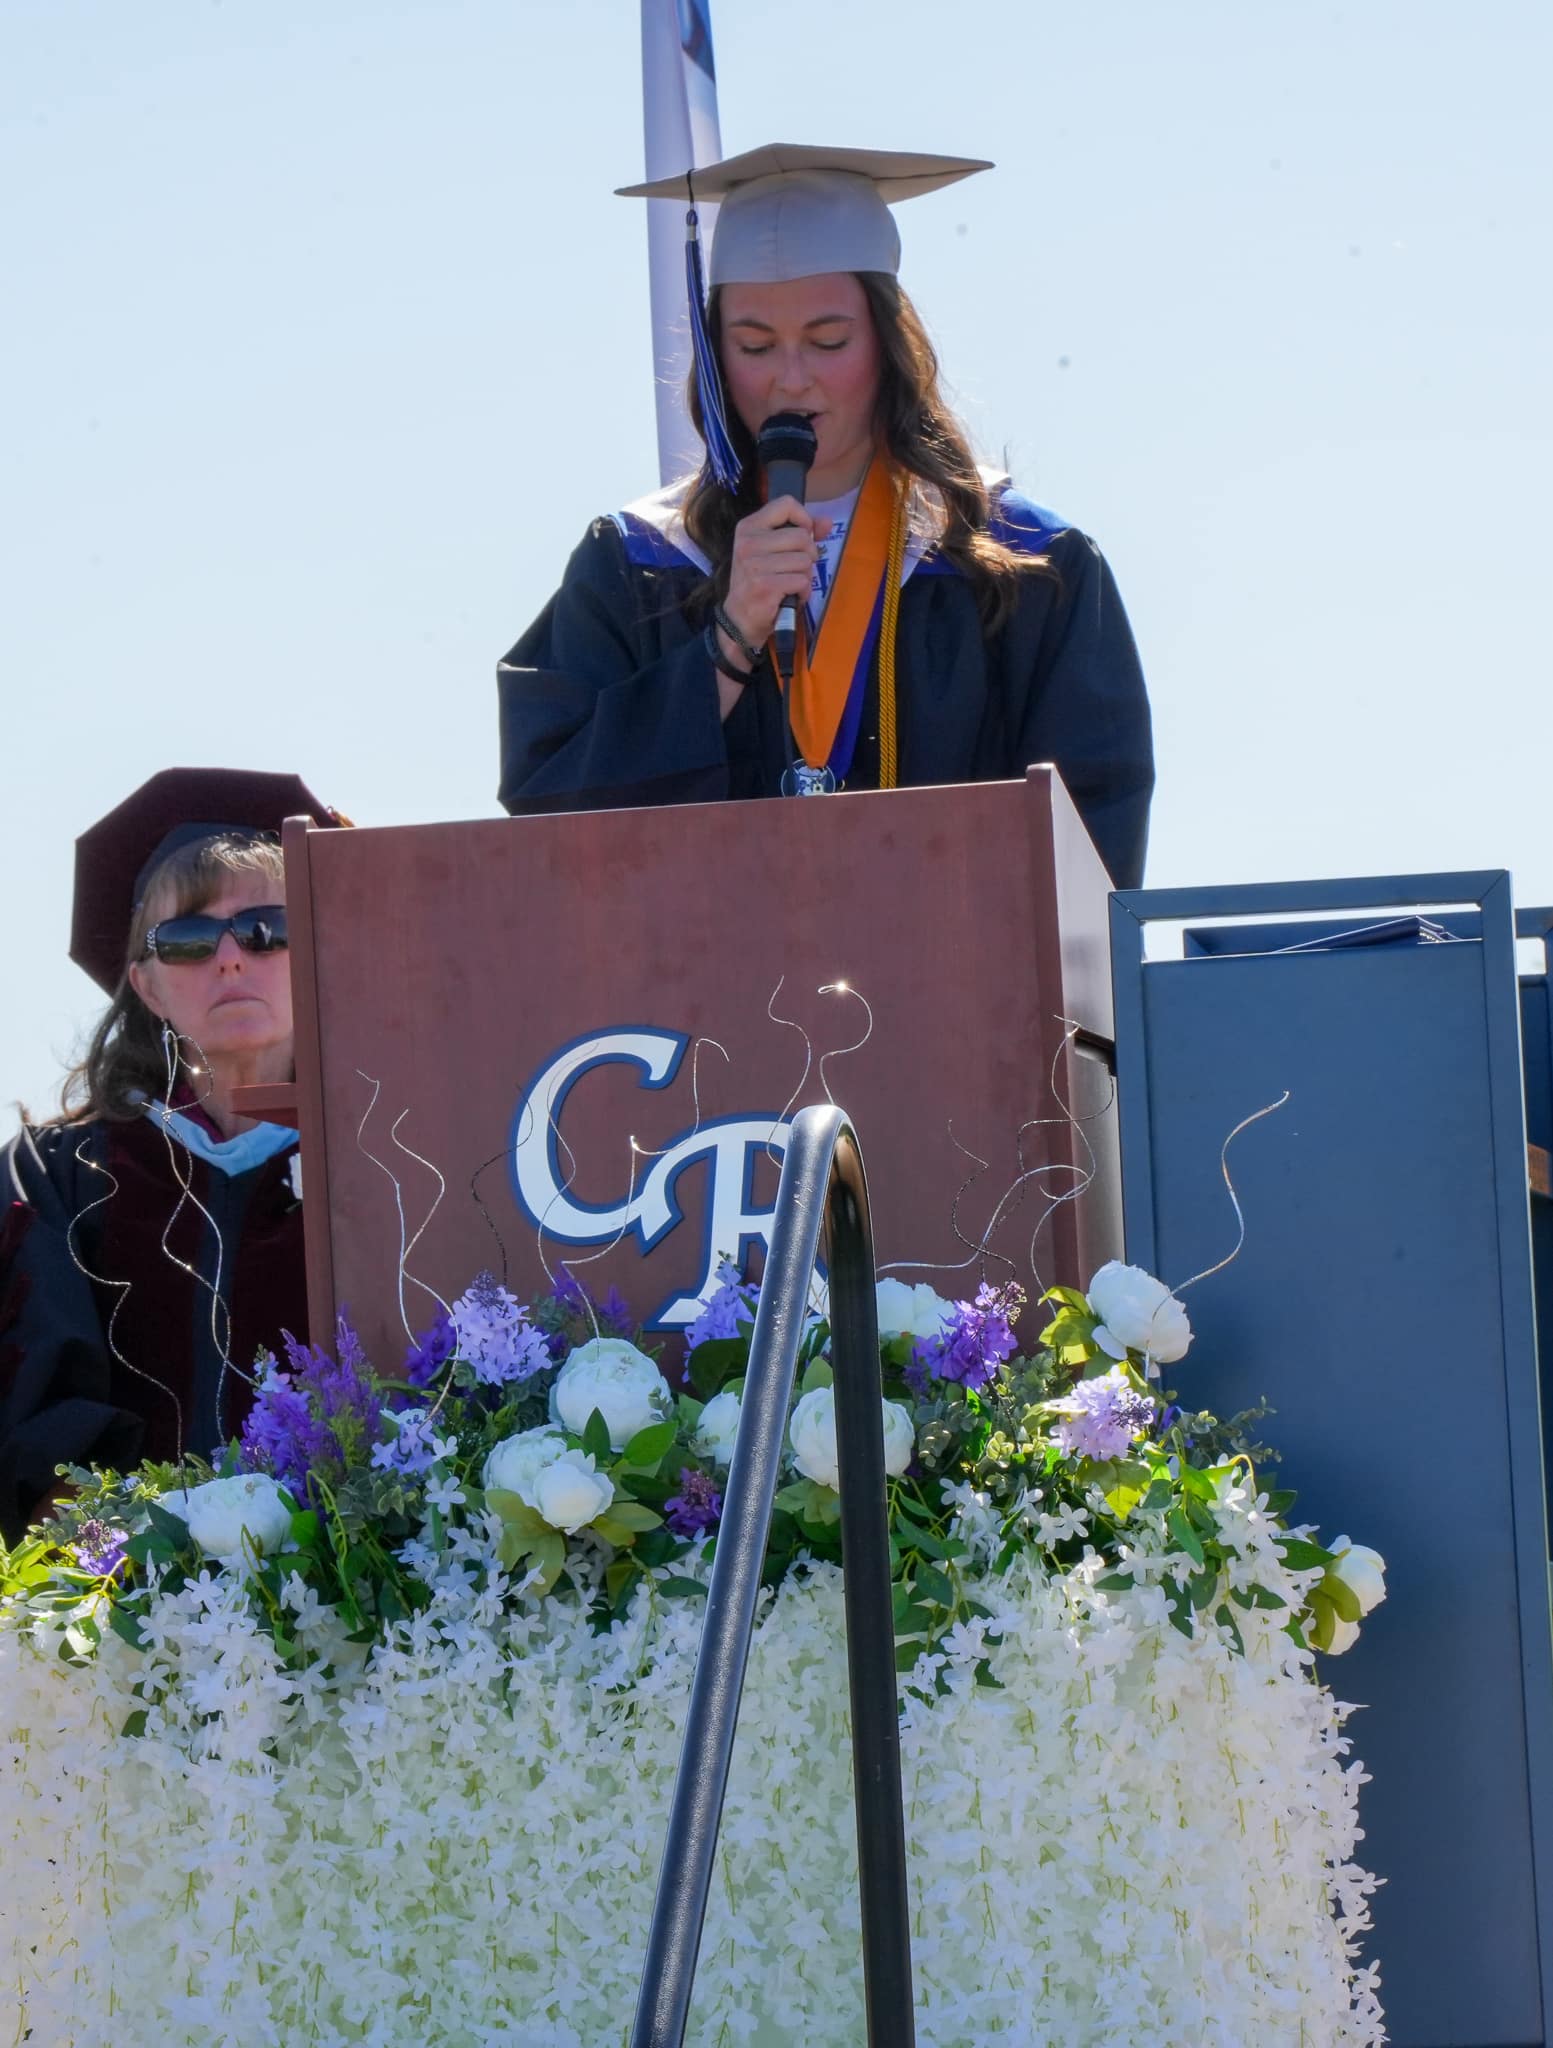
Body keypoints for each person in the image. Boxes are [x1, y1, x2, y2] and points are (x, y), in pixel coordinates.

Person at [497, 143, 1154, 889]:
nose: (790, 377)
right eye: (752, 345)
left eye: (827, 340)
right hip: (691, 992)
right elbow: (550, 816)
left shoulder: (1025, 561)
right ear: (714, 355)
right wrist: (725, 643)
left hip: (954, 987)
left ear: (888, 341)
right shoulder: (639, 562)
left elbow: (1091, 831)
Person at [0, 768, 346, 1541]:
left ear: (324, 946)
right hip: (132, 1615)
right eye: (187, 939)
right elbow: (33, 1410)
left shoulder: (392, 1159)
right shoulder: (58, 1175)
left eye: (268, 928)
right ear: (146, 986)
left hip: (375, 1611)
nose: (230, 958)